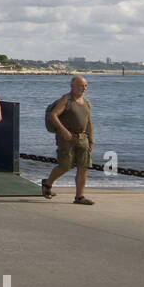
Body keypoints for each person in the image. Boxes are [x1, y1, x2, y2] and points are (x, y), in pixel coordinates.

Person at [43, 76, 96, 204]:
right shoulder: (66, 99)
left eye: (85, 86)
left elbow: (88, 122)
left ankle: (79, 197)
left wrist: (91, 140)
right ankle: (47, 183)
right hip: (66, 138)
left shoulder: (87, 102)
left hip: (82, 137)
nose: (83, 88)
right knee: (65, 165)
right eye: (80, 85)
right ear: (72, 86)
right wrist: (63, 130)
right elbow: (53, 115)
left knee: (83, 166)